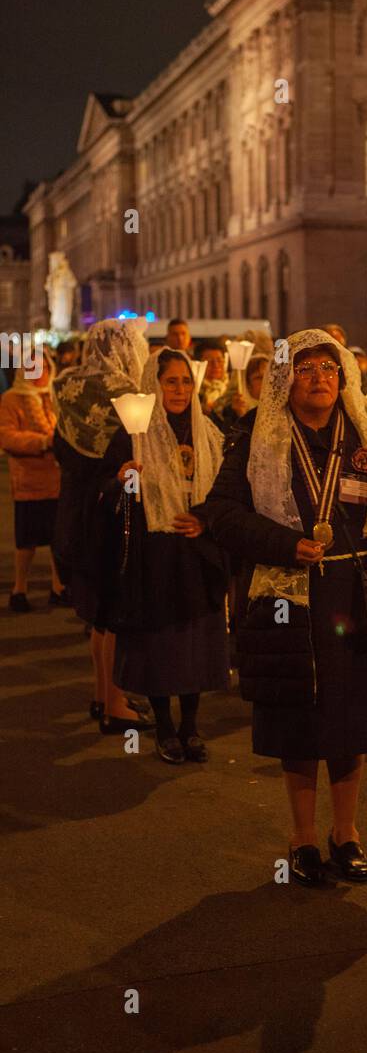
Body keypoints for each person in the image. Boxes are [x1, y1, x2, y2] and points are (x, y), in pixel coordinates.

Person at [203, 331, 367, 887]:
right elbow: (222, 513)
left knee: (354, 718)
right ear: (284, 377)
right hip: (289, 596)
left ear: (344, 374)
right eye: (305, 369)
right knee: (297, 717)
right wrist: (283, 543)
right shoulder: (257, 434)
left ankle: (345, 833)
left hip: (358, 590)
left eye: (329, 367)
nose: (320, 377)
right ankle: (302, 840)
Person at [98, 347, 229, 763]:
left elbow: (229, 492)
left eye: (186, 381)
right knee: (160, 643)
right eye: (170, 381)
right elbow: (102, 495)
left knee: (194, 641)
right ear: (153, 385)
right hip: (154, 553)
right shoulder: (131, 433)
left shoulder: (208, 431)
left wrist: (204, 519)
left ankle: (190, 724)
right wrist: (124, 481)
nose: (179, 389)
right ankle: (164, 725)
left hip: (198, 552)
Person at [51, 318, 153, 732]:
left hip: (76, 511)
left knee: (98, 616)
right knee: (115, 613)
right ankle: (115, 703)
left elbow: (61, 451)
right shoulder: (126, 395)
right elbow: (133, 459)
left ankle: (101, 693)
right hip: (113, 516)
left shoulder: (68, 390)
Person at [0, 352, 66, 610]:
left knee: (56, 538)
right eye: (33, 369)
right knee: (26, 542)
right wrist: (42, 442)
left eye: (43, 368)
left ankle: (57, 587)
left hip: (57, 480)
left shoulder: (56, 397)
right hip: (28, 481)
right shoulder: (11, 399)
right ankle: (20, 589)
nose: (39, 374)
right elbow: (7, 436)